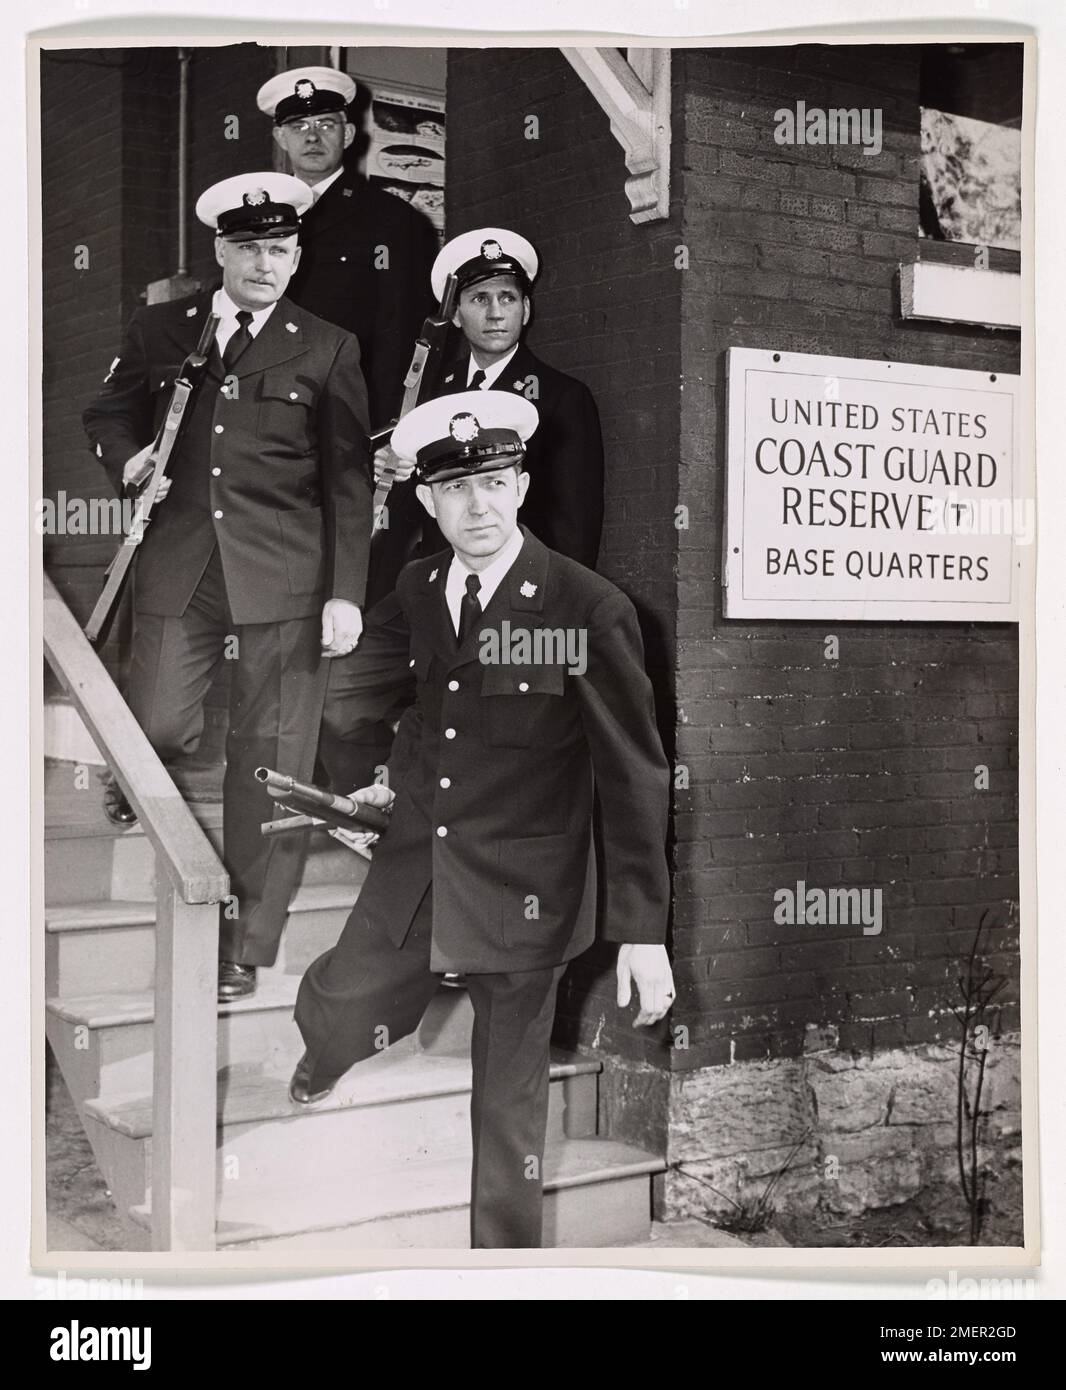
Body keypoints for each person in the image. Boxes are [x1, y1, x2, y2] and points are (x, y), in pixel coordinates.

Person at [290, 391, 674, 1248]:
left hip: (526, 888)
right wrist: (384, 779)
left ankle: (501, 1270)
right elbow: (413, 700)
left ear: (523, 485)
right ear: (427, 501)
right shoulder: (421, 584)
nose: (480, 505)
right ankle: (321, 1054)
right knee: (345, 1004)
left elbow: (634, 776)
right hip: (421, 863)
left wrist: (641, 932)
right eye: (458, 489)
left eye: (496, 482)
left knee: (508, 1107)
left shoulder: (587, 608)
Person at [83, 171, 373, 1003]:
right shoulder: (164, 327)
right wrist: (131, 460)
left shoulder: (327, 344)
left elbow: (350, 480)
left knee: (271, 761)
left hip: (286, 578)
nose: (266, 263)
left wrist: (345, 592)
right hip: (182, 562)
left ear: (295, 256)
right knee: (159, 719)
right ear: (221, 251)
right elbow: (105, 411)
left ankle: (247, 941)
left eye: (281, 249)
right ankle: (127, 771)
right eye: (249, 247)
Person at [319, 225, 607, 795]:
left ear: (527, 309)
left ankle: (426, 819)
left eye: (508, 298)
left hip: (511, 605)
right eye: (478, 299)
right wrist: (386, 474)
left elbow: (575, 530)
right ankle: (385, 813)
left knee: (481, 728)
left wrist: (544, 624)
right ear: (456, 314)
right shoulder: (428, 398)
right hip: (424, 594)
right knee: (333, 692)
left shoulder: (561, 398)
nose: (495, 313)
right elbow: (406, 509)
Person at [256, 66, 438, 435]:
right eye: (298, 127)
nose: (312, 137)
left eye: (326, 124)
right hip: (268, 415)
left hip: (350, 413)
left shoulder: (391, 220)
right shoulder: (259, 220)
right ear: (280, 137)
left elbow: (401, 332)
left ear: (349, 134)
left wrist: (388, 428)